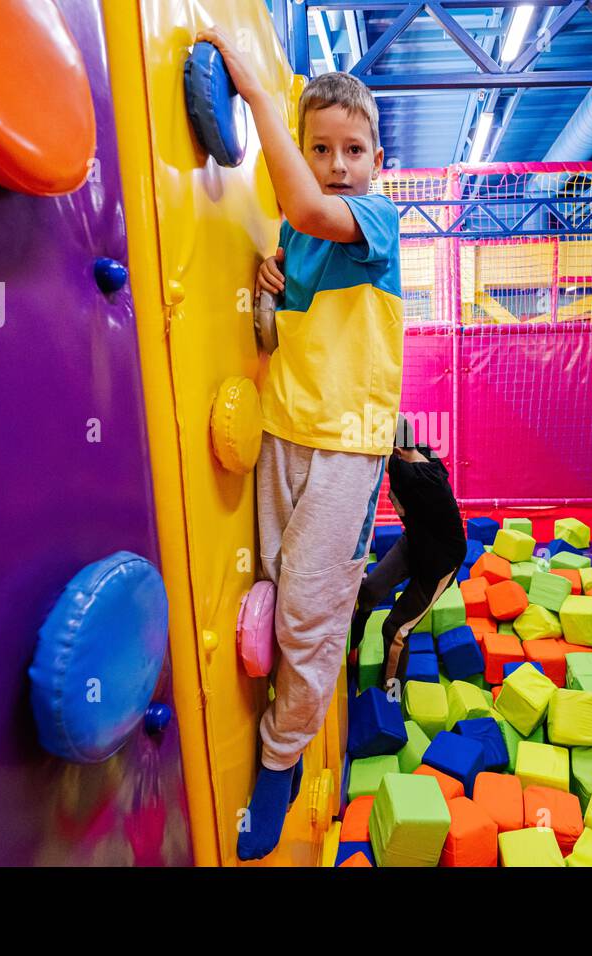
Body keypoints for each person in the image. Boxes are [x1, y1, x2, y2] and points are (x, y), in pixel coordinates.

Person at [194, 28, 404, 862]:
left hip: (348, 446)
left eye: (353, 149)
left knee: (313, 612)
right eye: (320, 147)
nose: (336, 161)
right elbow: (287, 333)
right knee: (282, 594)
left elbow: (311, 207)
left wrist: (255, 95)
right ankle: (285, 707)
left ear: (377, 162)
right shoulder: (297, 245)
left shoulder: (370, 219)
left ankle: (280, 760)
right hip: (282, 428)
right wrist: (271, 289)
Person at [351, 417, 467, 688]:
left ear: (396, 452)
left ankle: (390, 696)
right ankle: (353, 646)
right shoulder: (420, 451)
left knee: (394, 629)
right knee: (368, 591)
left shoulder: (415, 476)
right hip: (415, 542)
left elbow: (374, 457)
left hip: (440, 563)